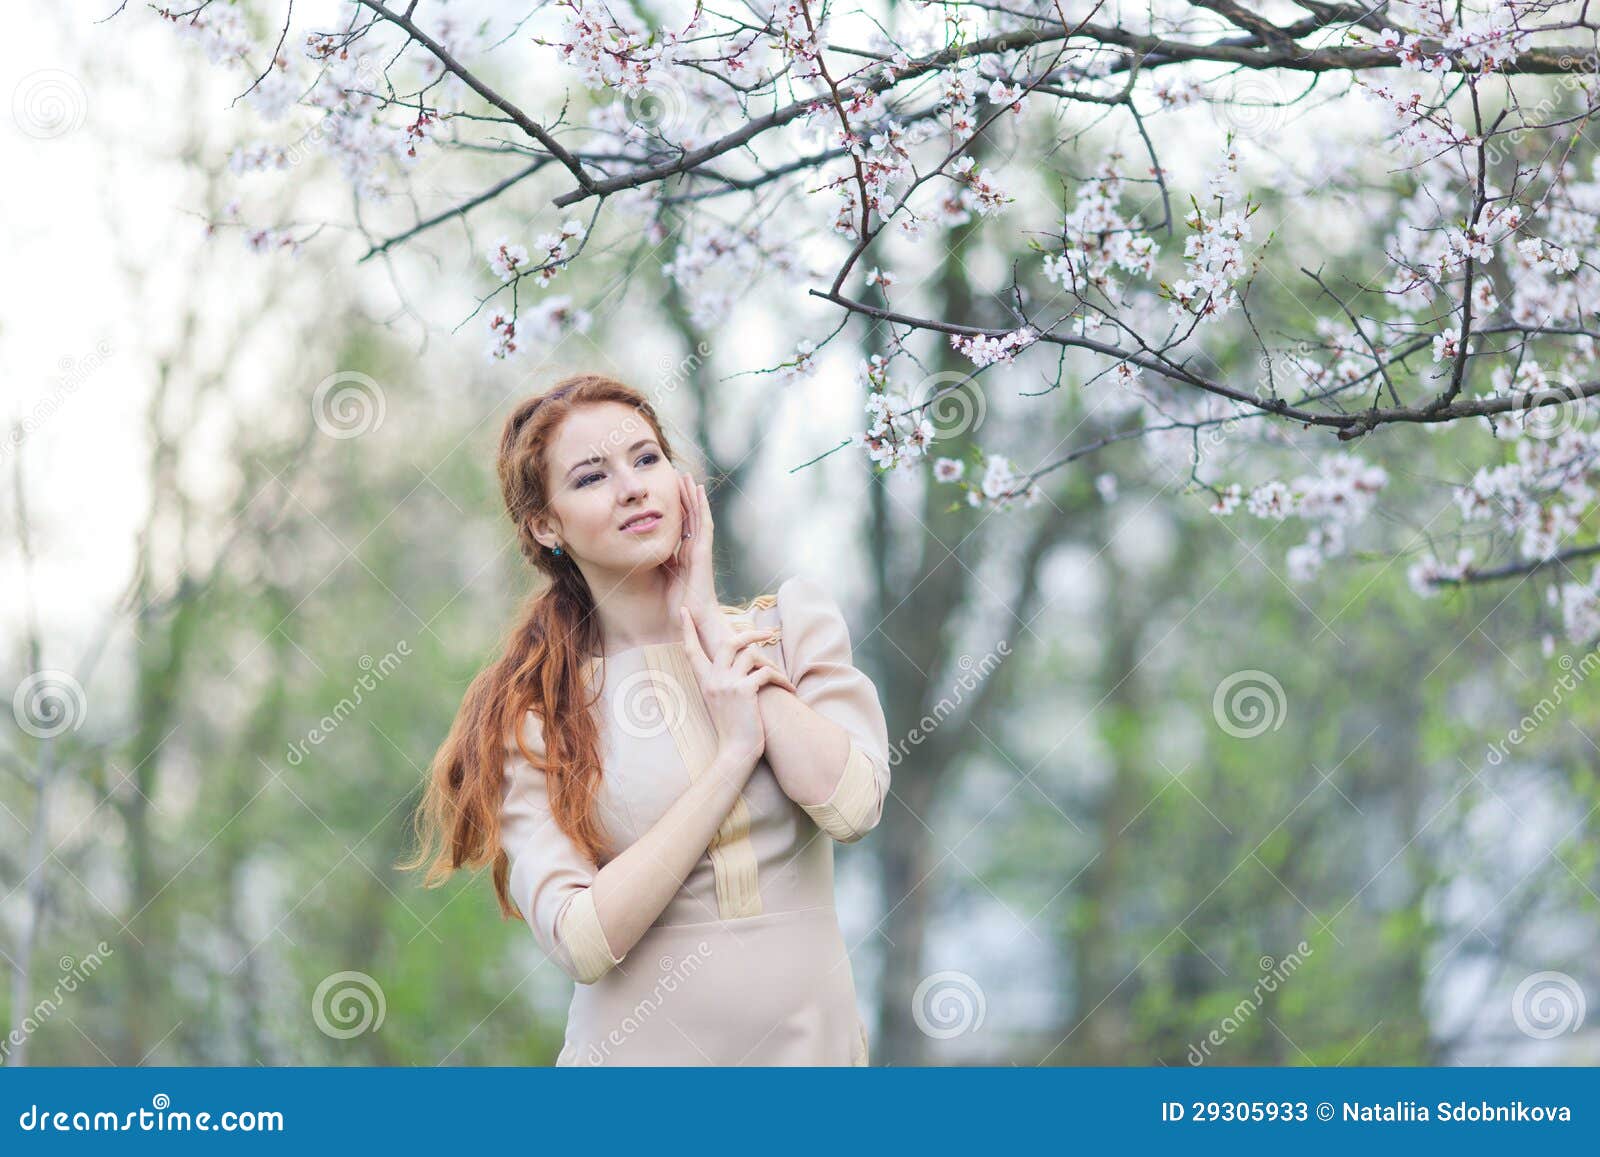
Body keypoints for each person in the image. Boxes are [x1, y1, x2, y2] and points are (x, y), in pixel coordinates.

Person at [402, 373, 892, 1065]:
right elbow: (583, 940)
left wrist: (713, 636)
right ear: (546, 526)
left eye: (645, 458)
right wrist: (731, 760)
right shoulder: (539, 719)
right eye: (591, 476)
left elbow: (853, 805)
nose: (631, 486)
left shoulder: (789, 627)